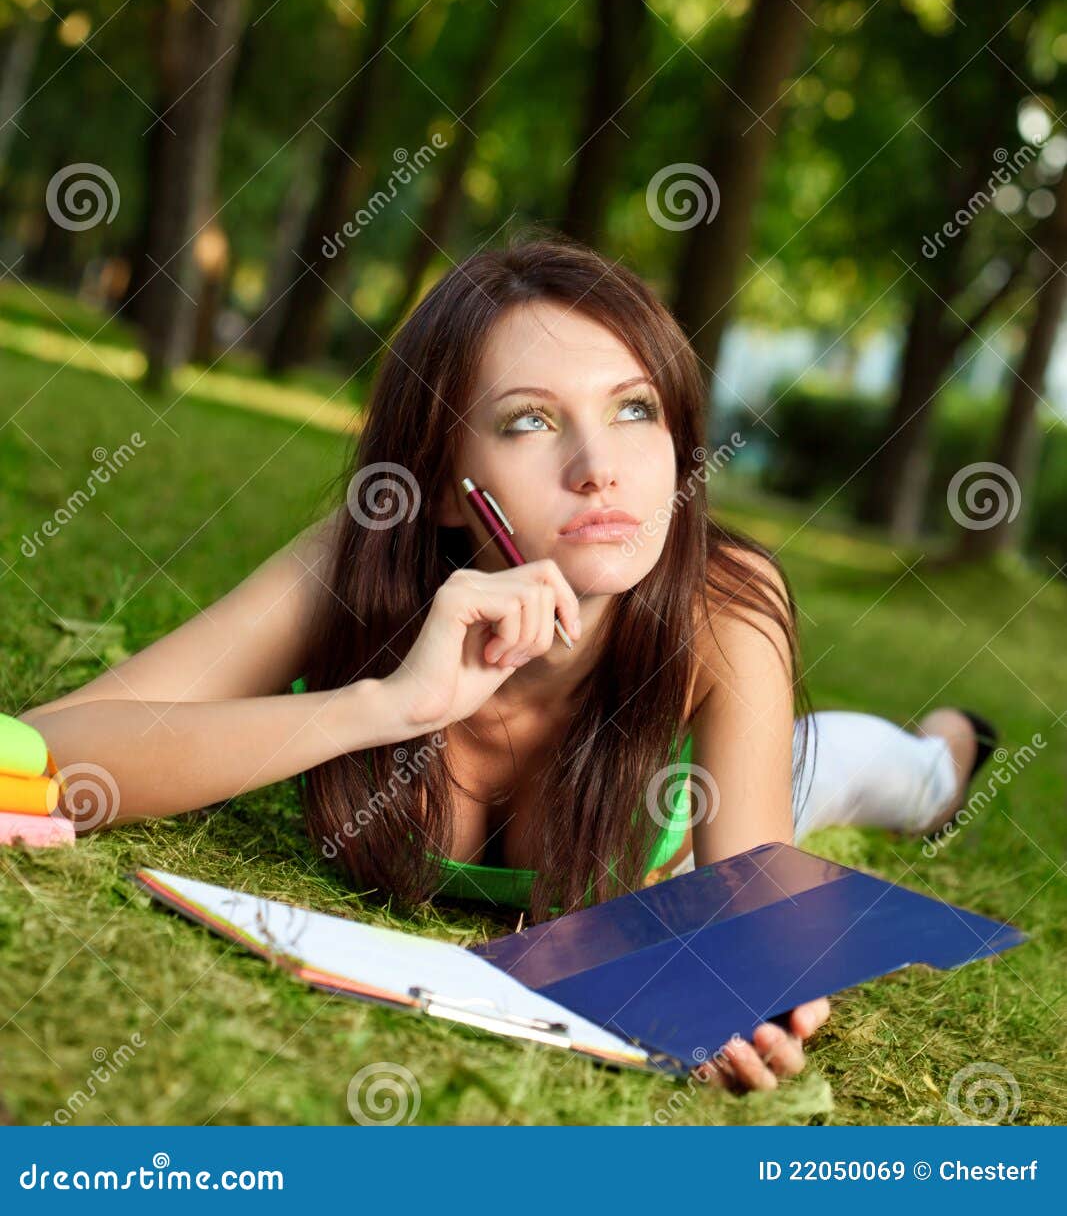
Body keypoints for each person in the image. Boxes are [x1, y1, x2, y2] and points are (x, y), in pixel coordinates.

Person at [18, 234, 992, 1095]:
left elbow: (747, 944)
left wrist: (736, 990)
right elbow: (49, 754)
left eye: (632, 409)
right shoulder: (359, 556)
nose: (596, 466)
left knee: (851, 766)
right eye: (529, 420)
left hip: (703, 810)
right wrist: (383, 705)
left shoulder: (728, 603)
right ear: (445, 481)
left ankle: (945, 755)